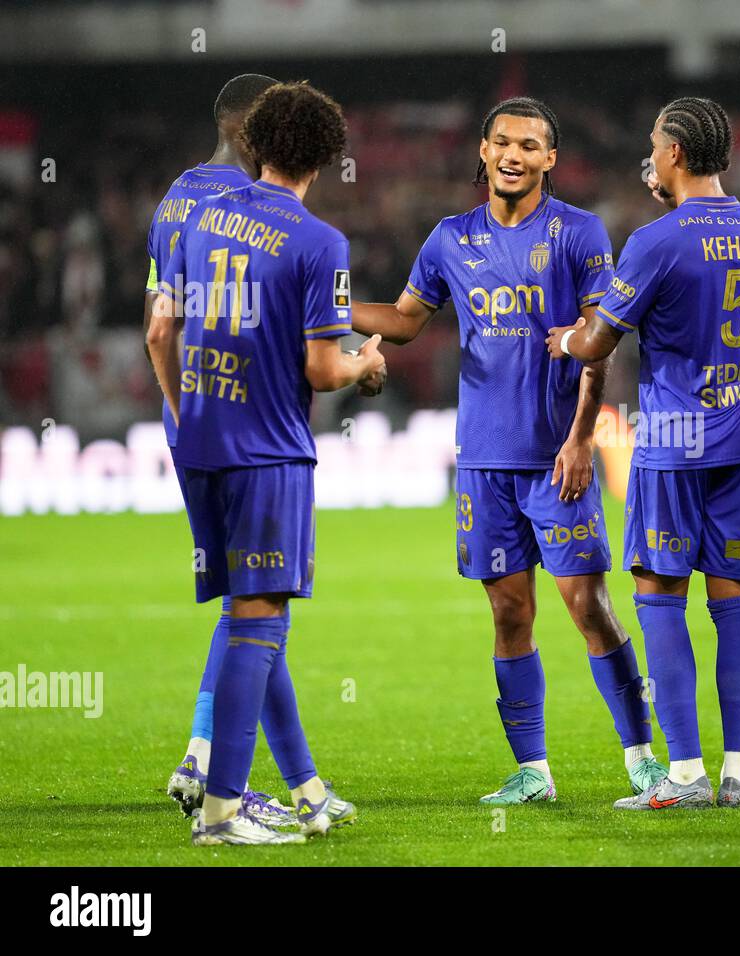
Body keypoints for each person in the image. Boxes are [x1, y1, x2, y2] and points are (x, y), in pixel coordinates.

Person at [349, 97, 665, 806]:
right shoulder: (447, 239)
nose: (513, 154)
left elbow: (598, 340)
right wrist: (325, 305)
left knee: (588, 605)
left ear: (550, 158)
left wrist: (584, 435)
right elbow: (403, 322)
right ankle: (533, 771)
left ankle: (643, 760)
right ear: (484, 153)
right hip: (484, 461)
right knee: (509, 613)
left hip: (558, 457)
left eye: (529, 144)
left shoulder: (580, 233)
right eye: (501, 142)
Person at [149, 80, 381, 844]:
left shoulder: (199, 215)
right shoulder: (321, 244)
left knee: (250, 615)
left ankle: (299, 789)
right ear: (325, 156)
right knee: (260, 619)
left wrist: (188, 417)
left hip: (203, 443)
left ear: (253, 144)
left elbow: (161, 331)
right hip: (269, 449)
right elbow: (321, 367)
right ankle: (220, 810)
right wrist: (364, 362)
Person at [547, 96, 740, 810]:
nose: (649, 153)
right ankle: (738, 774)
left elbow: (599, 342)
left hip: (675, 441)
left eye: (655, 143)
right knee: (733, 601)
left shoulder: (654, 240)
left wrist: (562, 339)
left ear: (675, 153)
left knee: (659, 597)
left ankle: (684, 775)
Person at [145, 73, 299, 824]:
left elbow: (156, 328)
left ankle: (211, 761)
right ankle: (213, 774)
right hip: (242, 425)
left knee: (246, 599)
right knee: (257, 602)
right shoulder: (246, 209)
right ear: (252, 131)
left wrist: (180, 414)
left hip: (189, 425)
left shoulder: (174, 198)